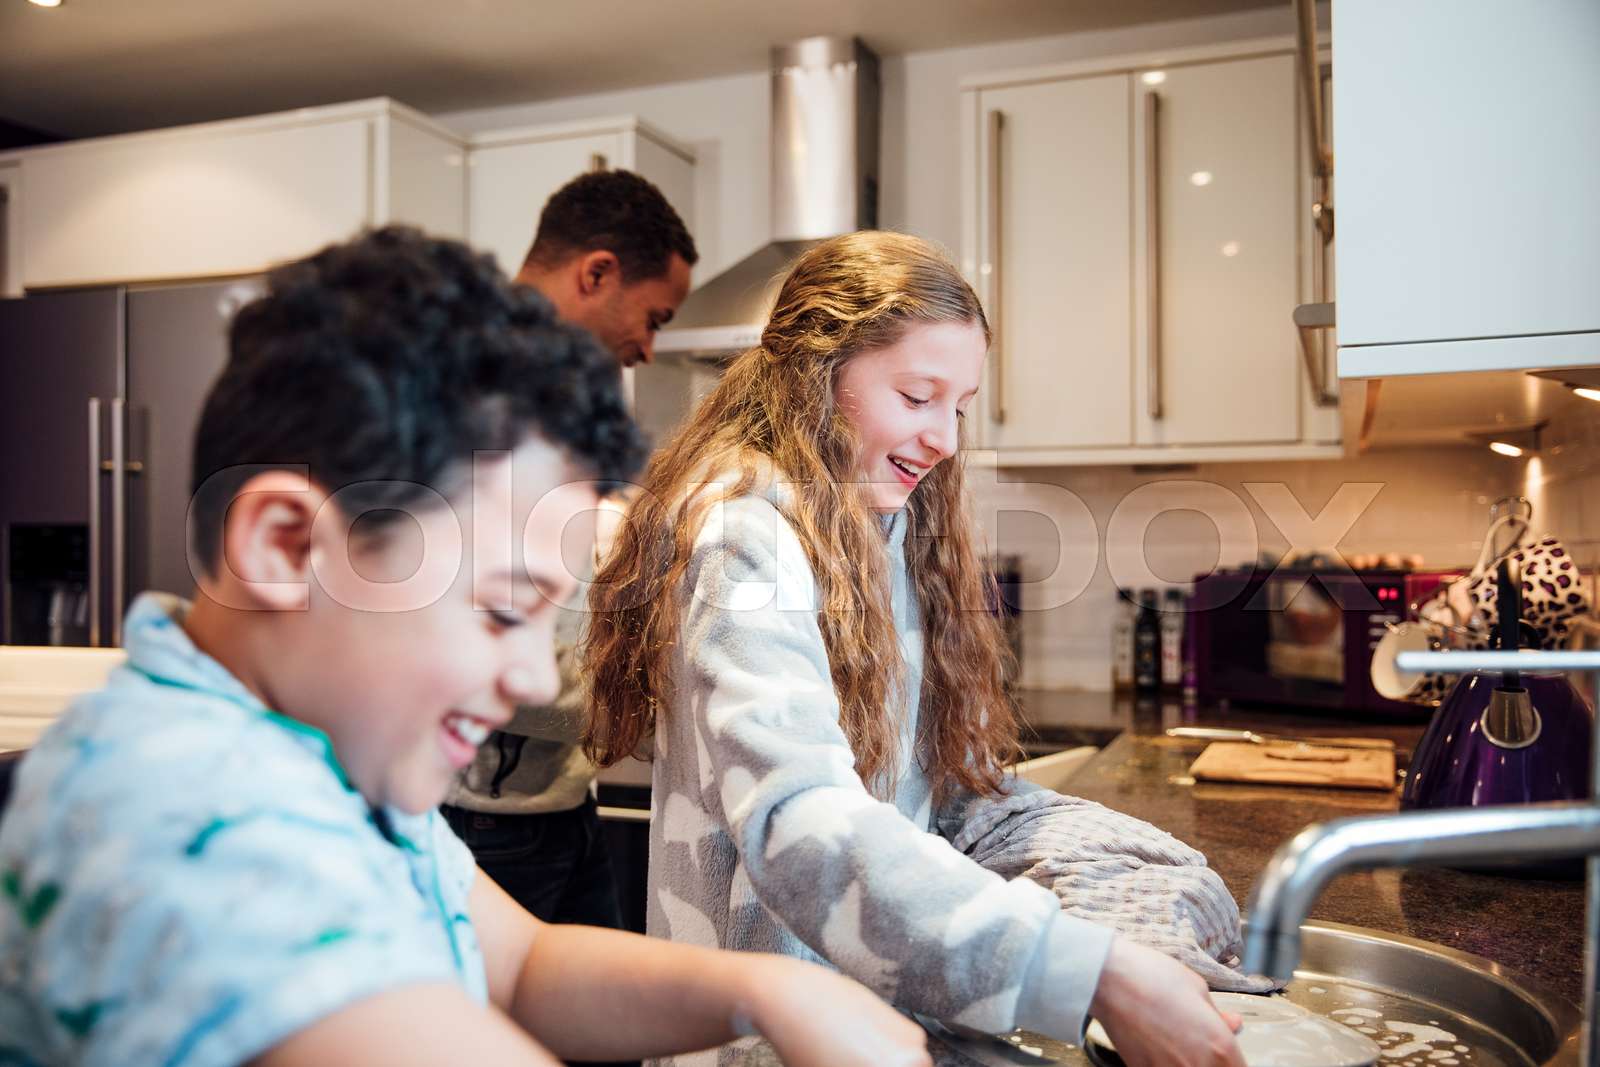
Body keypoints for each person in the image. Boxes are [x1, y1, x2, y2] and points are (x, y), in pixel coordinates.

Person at [0, 227, 930, 1067]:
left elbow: (523, 966)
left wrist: (760, 988)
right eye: (498, 608)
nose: (532, 674)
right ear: (285, 544)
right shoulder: (185, 817)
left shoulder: (314, 758)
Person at [583, 231, 1272, 1067]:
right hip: (762, 1042)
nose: (944, 436)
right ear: (817, 373)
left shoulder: (877, 522)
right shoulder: (745, 537)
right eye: (917, 395)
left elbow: (917, 788)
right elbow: (796, 823)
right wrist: (1091, 973)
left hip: (871, 1020)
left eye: (959, 405)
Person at [442, 169, 694, 932]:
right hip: (482, 818)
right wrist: (661, 713)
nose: (649, 349)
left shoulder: (554, 398)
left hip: (554, 800)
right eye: (654, 317)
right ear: (596, 272)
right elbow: (468, 635)